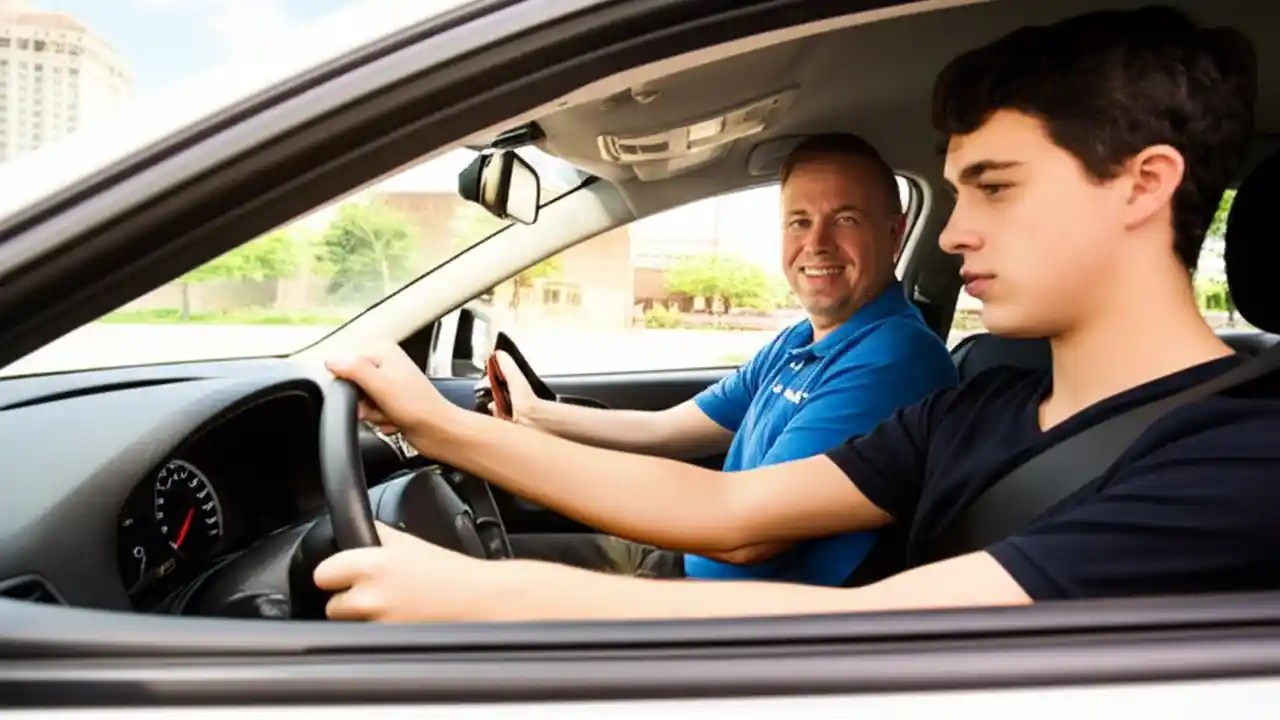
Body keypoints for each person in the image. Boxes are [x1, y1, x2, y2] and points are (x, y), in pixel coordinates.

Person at [314, 5, 1280, 623]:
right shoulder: (976, 407)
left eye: (996, 187)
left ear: (1143, 185)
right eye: (957, 194)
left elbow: (881, 632)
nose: (953, 235)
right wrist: (440, 425)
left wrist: (482, 597)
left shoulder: (1241, 464)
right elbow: (727, 507)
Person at [480, 133, 958, 587]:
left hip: (733, 618)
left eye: (846, 219)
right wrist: (534, 415)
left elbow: (746, 536)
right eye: (799, 221)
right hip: (690, 565)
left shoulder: (895, 358)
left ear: (894, 232)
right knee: (482, 557)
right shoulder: (800, 341)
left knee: (484, 588)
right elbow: (665, 430)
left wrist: (479, 443)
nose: (817, 243)